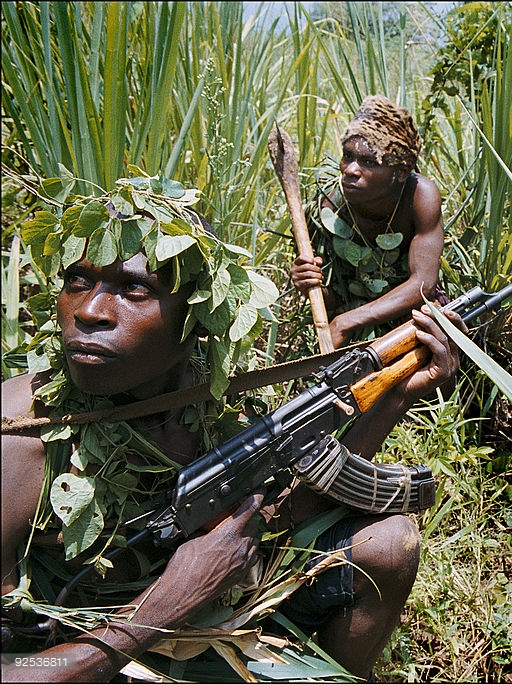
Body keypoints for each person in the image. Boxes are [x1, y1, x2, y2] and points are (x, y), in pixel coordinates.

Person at [1, 175, 465, 681]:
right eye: (78, 281)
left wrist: (394, 394)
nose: (90, 311)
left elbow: (276, 520)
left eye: (134, 288)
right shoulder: (22, 432)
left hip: (197, 631)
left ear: (197, 321)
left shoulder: (209, 406)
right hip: (71, 657)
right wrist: (164, 608)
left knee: (388, 541)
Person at [291, 95, 445, 348]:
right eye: (347, 156)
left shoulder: (420, 197)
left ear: (400, 172)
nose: (351, 170)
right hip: (354, 321)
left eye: (368, 162)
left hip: (412, 314)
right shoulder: (330, 209)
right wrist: (306, 281)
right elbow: (334, 297)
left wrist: (346, 322)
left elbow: (423, 285)